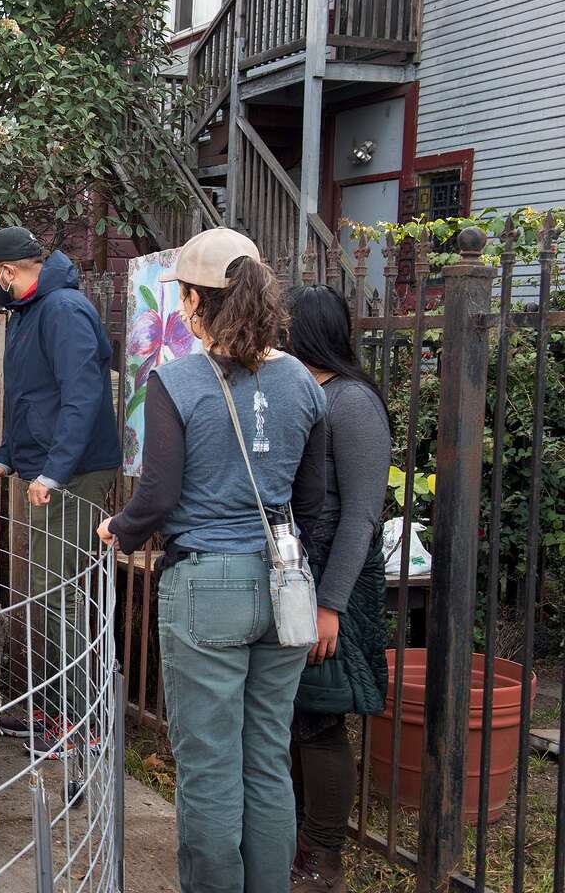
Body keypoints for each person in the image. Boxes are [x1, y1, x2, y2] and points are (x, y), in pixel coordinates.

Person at [97, 228, 327, 893]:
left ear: (196, 299)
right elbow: (310, 501)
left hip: (206, 585)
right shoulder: (305, 386)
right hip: (286, 584)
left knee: (209, 768)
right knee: (265, 761)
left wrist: (121, 526)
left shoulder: (176, 382)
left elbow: (159, 495)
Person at [0, 225, 121, 763]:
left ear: (10, 270)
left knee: (59, 595)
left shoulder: (65, 311)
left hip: (77, 474)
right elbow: (31, 400)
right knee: (45, 591)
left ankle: (85, 724)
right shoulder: (29, 314)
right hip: (49, 471)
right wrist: (7, 456)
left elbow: (83, 398)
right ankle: (54, 709)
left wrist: (53, 472)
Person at [284, 285, 391, 893]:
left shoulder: (351, 402)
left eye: (283, 326)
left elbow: (360, 516)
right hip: (298, 576)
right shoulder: (308, 392)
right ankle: (297, 839)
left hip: (334, 581)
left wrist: (330, 606)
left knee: (321, 718)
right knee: (296, 714)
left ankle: (322, 860)